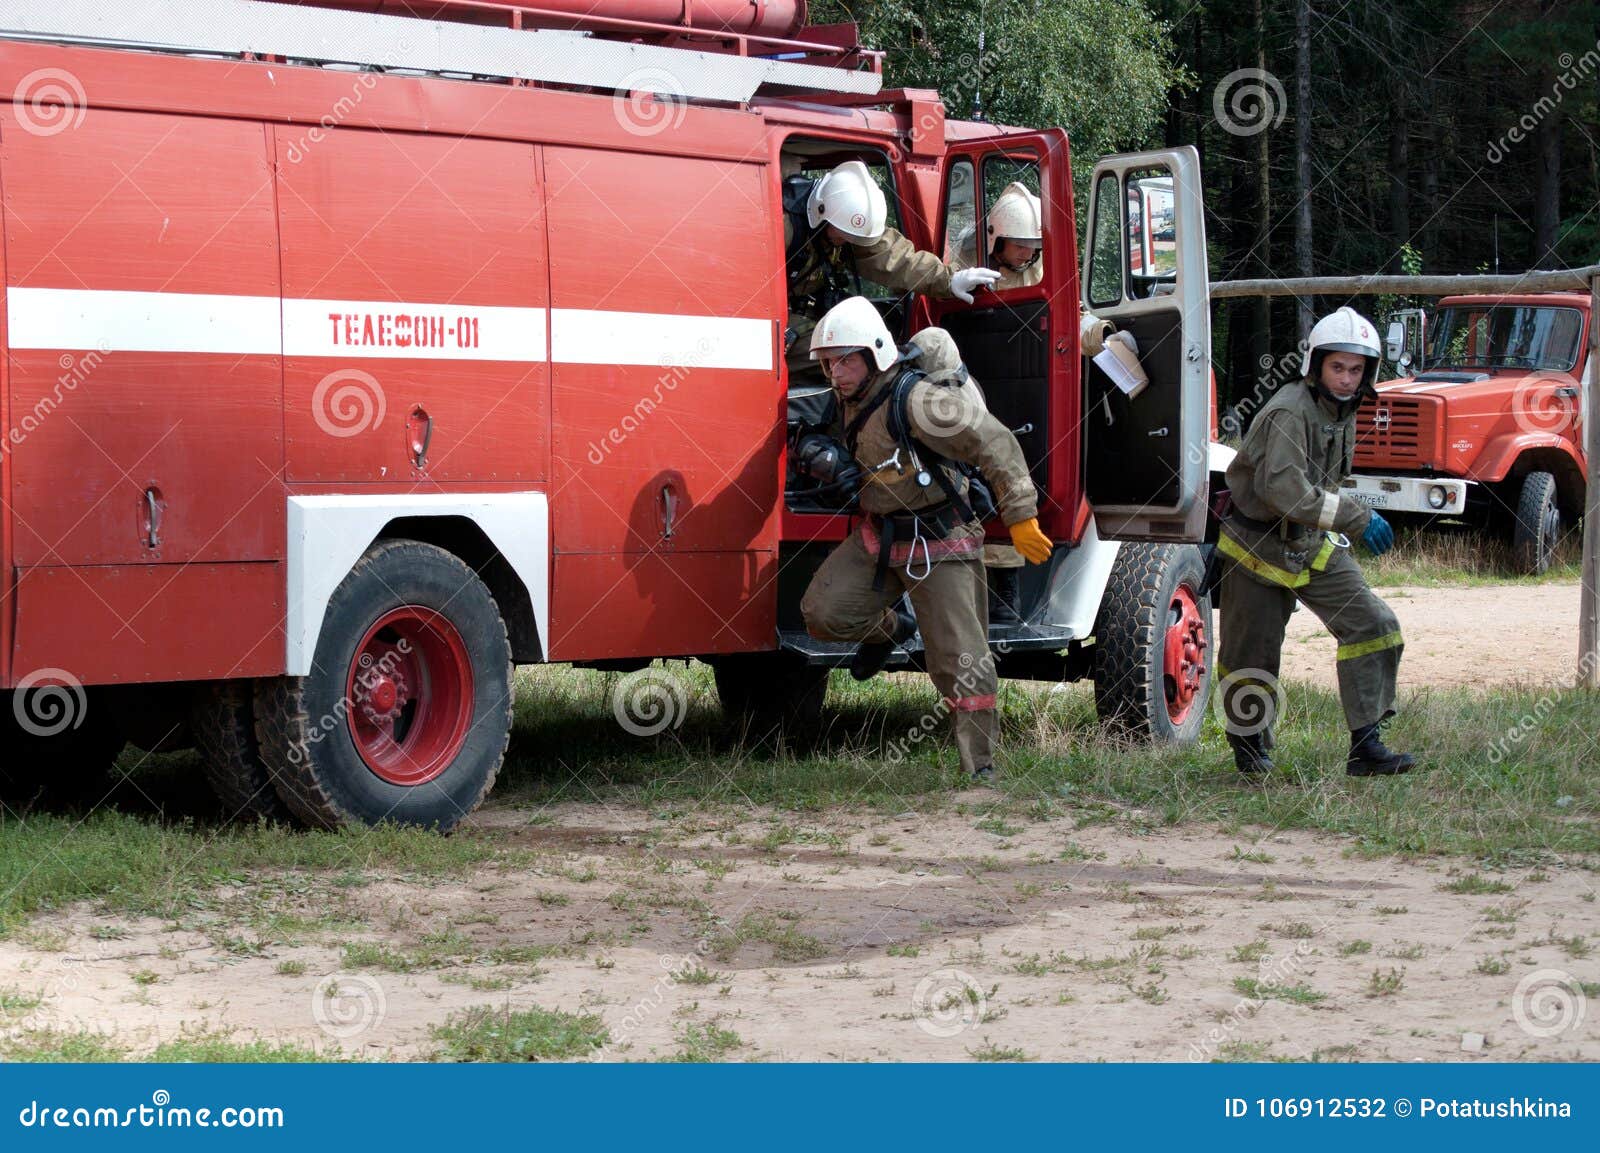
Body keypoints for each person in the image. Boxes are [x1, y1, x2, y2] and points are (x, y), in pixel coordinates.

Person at [798, 297, 1051, 786]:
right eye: (829, 362)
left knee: (963, 662)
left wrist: (1020, 515)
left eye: (845, 359)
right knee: (823, 613)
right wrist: (816, 450)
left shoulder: (915, 400)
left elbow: (993, 441)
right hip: (881, 536)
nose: (836, 372)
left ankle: (981, 768)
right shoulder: (845, 400)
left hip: (941, 540)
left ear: (874, 354)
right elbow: (811, 430)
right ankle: (894, 629)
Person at [1216, 306, 1415, 778]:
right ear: (1316, 366)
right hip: (1255, 546)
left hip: (1308, 542)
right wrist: (1356, 518)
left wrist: (1338, 519)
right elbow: (1284, 491)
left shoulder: (1341, 410)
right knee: (1251, 657)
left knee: (1374, 624)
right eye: (1338, 367)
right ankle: (1250, 753)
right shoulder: (1289, 410)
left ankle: (1366, 747)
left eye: (1356, 369)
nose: (1347, 379)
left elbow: (1322, 485)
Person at [784, 160, 999, 387]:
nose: (849, 242)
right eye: (844, 236)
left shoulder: (847, 222)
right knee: (851, 364)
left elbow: (895, 258)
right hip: (774, 324)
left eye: (855, 238)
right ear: (820, 214)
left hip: (810, 314)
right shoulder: (786, 225)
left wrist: (948, 280)